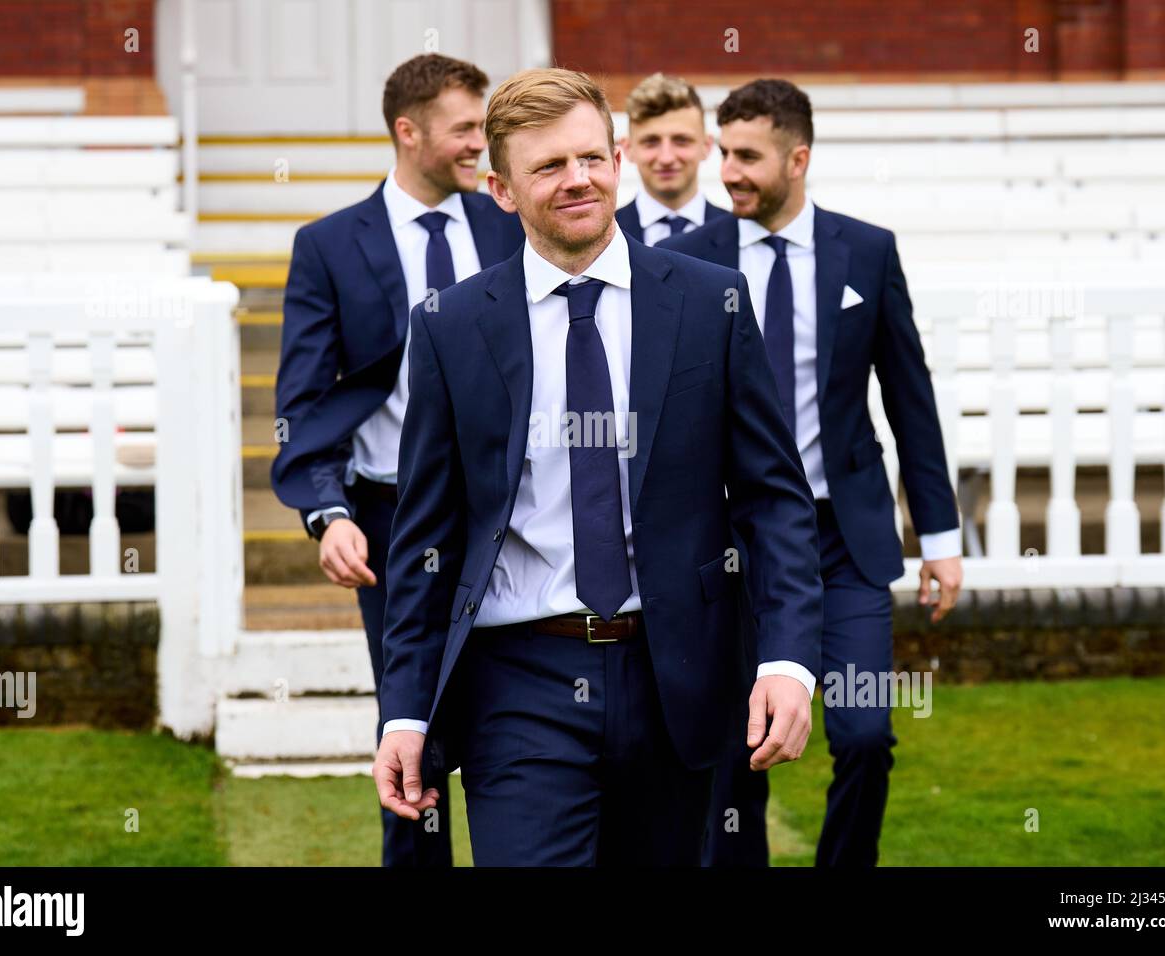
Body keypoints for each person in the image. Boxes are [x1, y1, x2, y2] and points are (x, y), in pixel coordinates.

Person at [371, 67, 825, 866]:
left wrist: (787, 658)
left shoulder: (708, 303)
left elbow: (772, 497)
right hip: (518, 683)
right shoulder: (449, 328)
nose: (577, 180)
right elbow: (424, 538)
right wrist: (404, 712)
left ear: (617, 159)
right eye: (547, 166)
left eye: (589, 158)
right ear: (502, 190)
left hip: (675, 668)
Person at [660, 78, 964, 867]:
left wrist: (940, 535)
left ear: (799, 158)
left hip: (845, 541)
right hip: (730, 543)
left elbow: (910, 397)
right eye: (723, 152)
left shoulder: (866, 251)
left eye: (747, 156)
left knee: (865, 733)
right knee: (735, 753)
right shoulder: (684, 262)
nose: (727, 170)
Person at [270, 53, 522, 868]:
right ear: (407, 132)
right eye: (464, 130)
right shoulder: (329, 246)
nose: (480, 147)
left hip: (509, 512)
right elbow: (304, 405)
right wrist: (328, 514)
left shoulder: (507, 220)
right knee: (414, 730)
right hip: (390, 522)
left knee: (519, 715)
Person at [614, 73, 730, 245]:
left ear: (706, 146)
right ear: (628, 149)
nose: (666, 158)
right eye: (651, 142)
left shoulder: (737, 233)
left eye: (681, 140)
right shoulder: (606, 235)